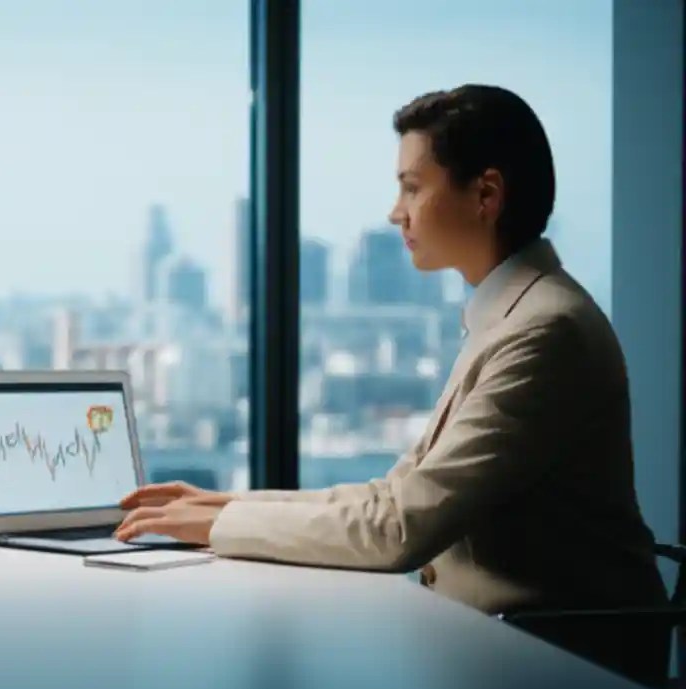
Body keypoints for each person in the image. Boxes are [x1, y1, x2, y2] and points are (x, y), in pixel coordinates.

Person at [116, 84, 666, 618]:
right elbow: (396, 495)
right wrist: (224, 506)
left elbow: (399, 529)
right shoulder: (511, 315)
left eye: (412, 187)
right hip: (496, 641)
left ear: (485, 195)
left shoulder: (543, 331)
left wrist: (215, 526)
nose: (394, 212)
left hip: (559, 663)